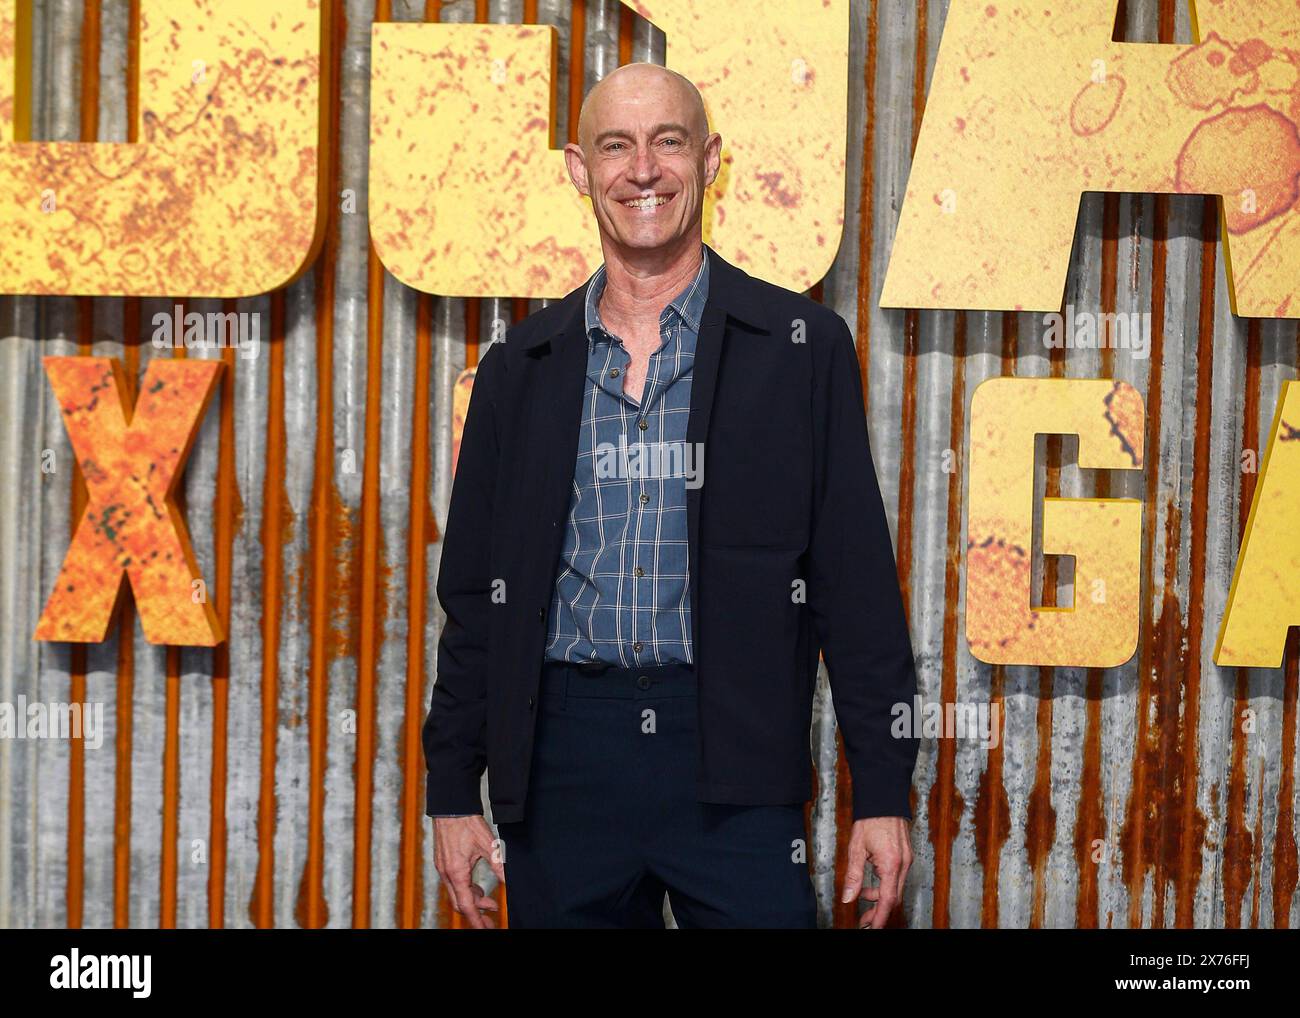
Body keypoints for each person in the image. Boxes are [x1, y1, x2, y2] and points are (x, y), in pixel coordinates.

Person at [423, 62, 918, 929]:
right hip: (560, 764)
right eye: (616, 146)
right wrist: (452, 788)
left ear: (711, 158)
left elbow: (856, 585)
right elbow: (474, 604)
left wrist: (884, 790)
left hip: (736, 762)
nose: (642, 170)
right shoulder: (518, 372)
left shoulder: (799, 349)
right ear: (581, 170)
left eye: (668, 142)